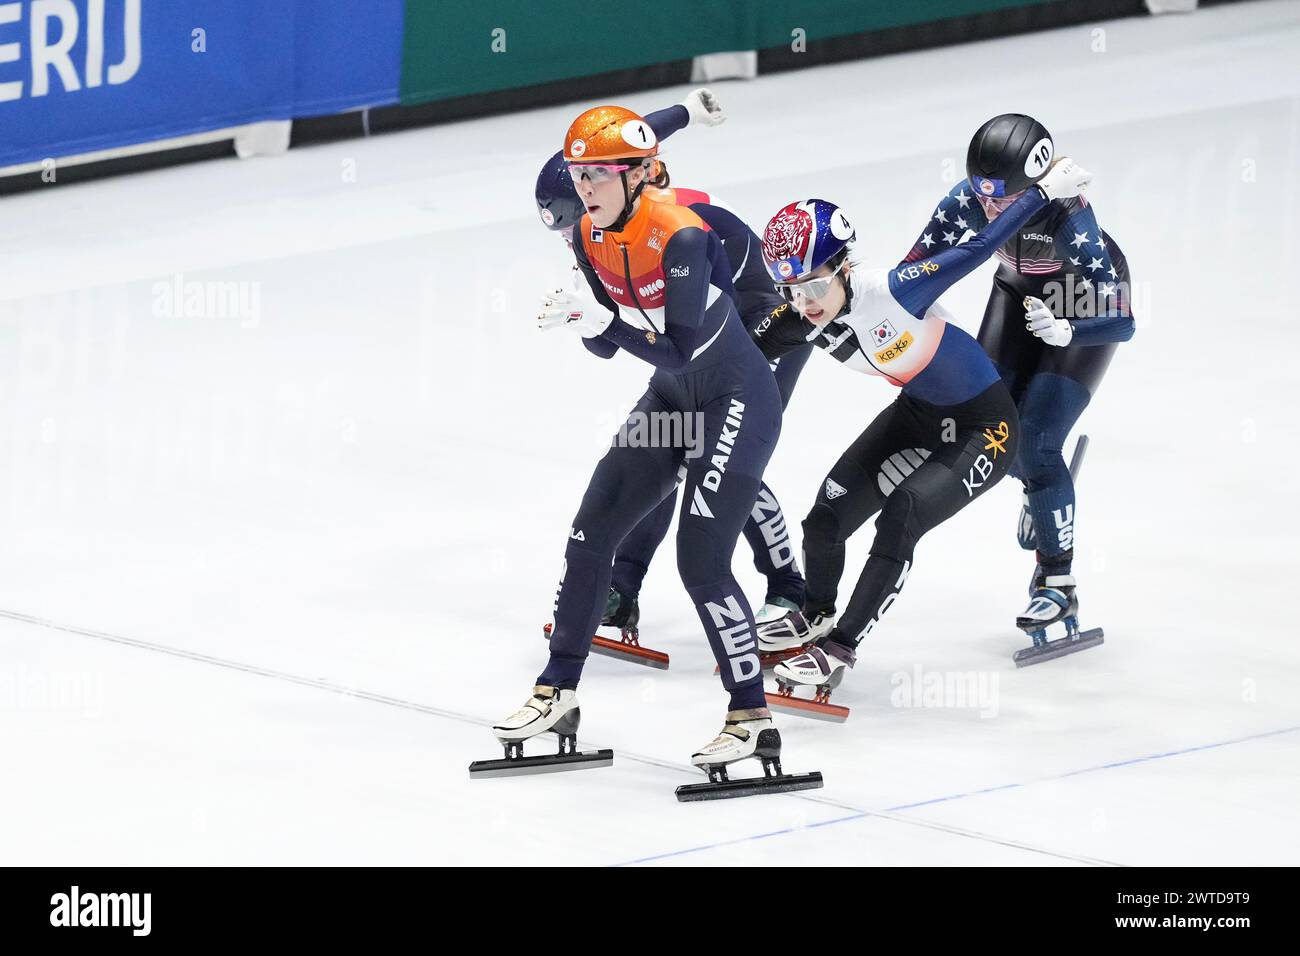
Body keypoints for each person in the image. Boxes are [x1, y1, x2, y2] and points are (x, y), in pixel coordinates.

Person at [493, 104, 811, 790]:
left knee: (701, 561)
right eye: (577, 174)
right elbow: (610, 348)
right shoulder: (585, 231)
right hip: (672, 399)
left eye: (597, 174)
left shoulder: (685, 239)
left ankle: (751, 715)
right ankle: (558, 692)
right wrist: (588, 322)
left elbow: (678, 344)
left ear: (637, 177)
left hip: (735, 397)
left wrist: (605, 318)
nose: (584, 188)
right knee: (589, 534)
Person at [748, 156, 1091, 714]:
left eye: (812, 286)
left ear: (841, 267)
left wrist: (1044, 193)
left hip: (986, 429)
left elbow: (976, 250)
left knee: (902, 513)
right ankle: (815, 613)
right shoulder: (798, 316)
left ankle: (839, 647)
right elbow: (730, 350)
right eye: (790, 291)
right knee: (827, 514)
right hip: (919, 414)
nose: (804, 305)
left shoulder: (895, 291)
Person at [533, 91, 809, 655]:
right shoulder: (607, 209)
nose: (574, 238)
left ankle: (789, 590)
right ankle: (623, 588)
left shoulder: (679, 226)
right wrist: (684, 110)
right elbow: (632, 138)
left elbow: (686, 337)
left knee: (719, 458)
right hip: (693, 337)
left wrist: (608, 322)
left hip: (765, 324)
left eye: (572, 227)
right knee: (663, 451)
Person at [904, 114, 1134, 639]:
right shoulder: (969, 197)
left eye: (1003, 202)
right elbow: (916, 263)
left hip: (1080, 301)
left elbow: (1124, 319)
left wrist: (1070, 330)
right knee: (988, 427)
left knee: (1037, 442)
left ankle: (1057, 581)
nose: (990, 210)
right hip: (1014, 290)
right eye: (983, 198)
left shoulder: (1071, 216)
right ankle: (1040, 489)